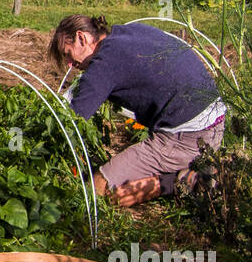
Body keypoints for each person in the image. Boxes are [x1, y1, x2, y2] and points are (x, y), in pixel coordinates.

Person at [49, 15, 225, 207]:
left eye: (67, 54)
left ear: (82, 38)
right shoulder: (126, 33)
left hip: (189, 138)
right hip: (213, 121)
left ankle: (180, 182)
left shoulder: (105, 63)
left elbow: (72, 121)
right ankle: (189, 167)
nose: (69, 64)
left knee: (97, 190)